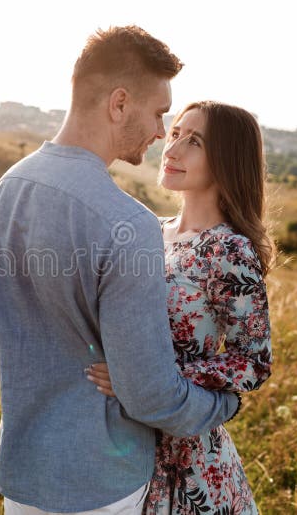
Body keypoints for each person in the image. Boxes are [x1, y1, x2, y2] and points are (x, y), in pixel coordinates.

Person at [0, 26, 240, 514]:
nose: (163, 131)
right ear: (119, 103)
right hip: (101, 485)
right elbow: (151, 397)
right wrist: (225, 404)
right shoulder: (129, 224)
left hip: (21, 478)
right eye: (160, 113)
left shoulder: (4, 192)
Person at [86, 101, 274, 514]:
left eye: (195, 142)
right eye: (174, 135)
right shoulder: (148, 231)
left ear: (227, 159)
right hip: (118, 442)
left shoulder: (229, 249)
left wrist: (151, 379)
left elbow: (253, 362)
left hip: (188, 460)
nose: (172, 150)